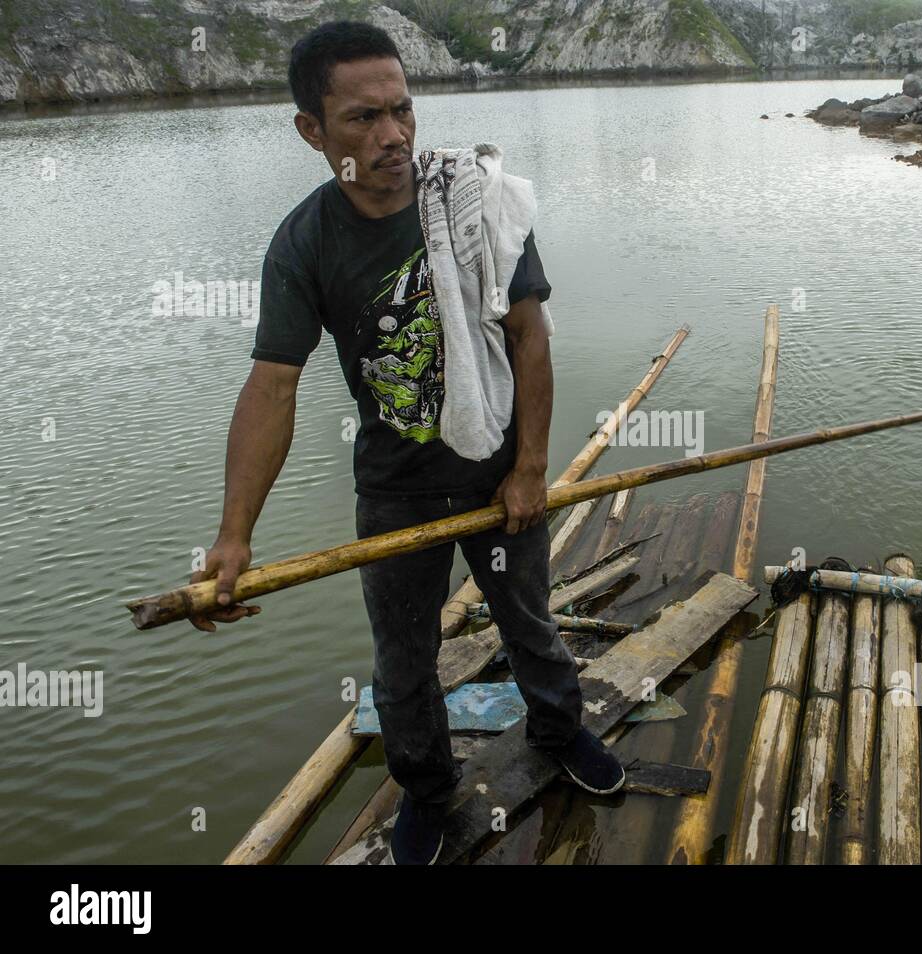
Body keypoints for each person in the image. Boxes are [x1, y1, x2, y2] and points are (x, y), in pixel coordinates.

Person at [189, 20, 623, 865]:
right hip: (395, 487)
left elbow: (529, 337)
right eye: (362, 119)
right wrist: (235, 533)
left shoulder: (476, 202)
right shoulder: (305, 242)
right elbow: (272, 386)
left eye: (403, 110)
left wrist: (531, 468)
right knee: (403, 663)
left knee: (528, 619)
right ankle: (428, 790)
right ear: (312, 132)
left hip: (499, 467)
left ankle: (560, 732)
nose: (393, 136)